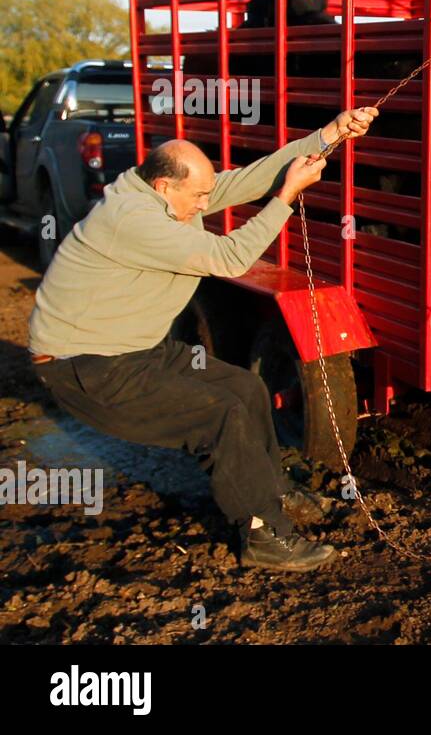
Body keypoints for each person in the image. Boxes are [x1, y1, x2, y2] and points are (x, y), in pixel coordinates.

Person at [27, 107, 378, 572]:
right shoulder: (133, 220)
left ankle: (271, 491)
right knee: (220, 415)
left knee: (245, 389)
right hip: (86, 365)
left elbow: (252, 179)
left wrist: (329, 135)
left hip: (135, 349)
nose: (204, 204)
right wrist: (287, 199)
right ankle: (261, 534)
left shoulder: (165, 195)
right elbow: (231, 258)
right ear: (163, 187)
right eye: (198, 197)